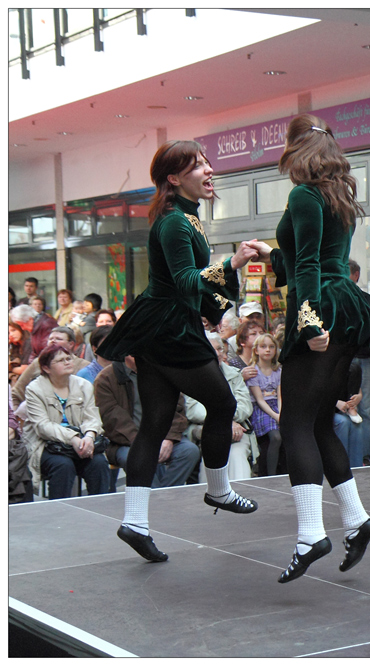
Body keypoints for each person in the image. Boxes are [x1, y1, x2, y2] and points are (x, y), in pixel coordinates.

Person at [96, 139, 259, 563]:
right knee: (222, 404)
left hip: (162, 327)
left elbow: (183, 283)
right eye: (197, 165)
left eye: (207, 163)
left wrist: (214, 305)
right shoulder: (174, 222)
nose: (208, 171)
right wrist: (234, 265)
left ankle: (134, 522)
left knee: (154, 424)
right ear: (174, 178)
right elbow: (187, 279)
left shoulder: (187, 218)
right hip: (169, 330)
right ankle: (219, 489)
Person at [246, 115, 370, 582]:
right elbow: (319, 256)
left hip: (320, 306)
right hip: (344, 304)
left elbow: (308, 266)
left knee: (296, 424)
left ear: (294, 149)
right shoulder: (336, 191)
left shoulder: (304, 194)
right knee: (321, 423)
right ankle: (358, 520)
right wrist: (272, 256)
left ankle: (310, 535)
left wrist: (307, 325)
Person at [93, 355, 201, 489]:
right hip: (124, 442)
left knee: (189, 451)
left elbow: (177, 409)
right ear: (126, 354)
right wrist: (144, 444)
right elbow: (113, 420)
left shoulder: (162, 371)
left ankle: (161, 498)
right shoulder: (106, 378)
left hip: (161, 436)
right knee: (136, 458)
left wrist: (169, 438)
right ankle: (157, 501)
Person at [22, 343, 111, 499]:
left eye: (69, 358)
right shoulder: (35, 389)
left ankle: (100, 507)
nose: (68, 362)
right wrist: (73, 439)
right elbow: (42, 426)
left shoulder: (83, 385)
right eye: (61, 360)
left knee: (98, 464)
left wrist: (90, 436)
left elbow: (92, 417)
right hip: (46, 444)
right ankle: (59, 514)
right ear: (46, 368)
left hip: (81, 441)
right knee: (63, 466)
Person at [186, 332, 254, 482]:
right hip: (205, 429)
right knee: (212, 451)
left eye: (219, 349)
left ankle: (242, 493)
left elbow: (245, 405)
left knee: (237, 455)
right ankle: (212, 495)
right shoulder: (191, 376)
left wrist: (226, 419)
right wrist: (224, 421)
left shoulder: (234, 375)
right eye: (212, 349)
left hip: (237, 431)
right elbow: (192, 409)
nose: (216, 353)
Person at [348, 259, 370, 466]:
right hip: (345, 359)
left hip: (365, 358)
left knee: (367, 408)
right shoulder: (335, 297)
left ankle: (364, 456)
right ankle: (349, 452)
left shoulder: (368, 300)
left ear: (356, 275)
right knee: (346, 403)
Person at [12, 327, 89, 409]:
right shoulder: (38, 363)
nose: (53, 341)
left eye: (58, 339)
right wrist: (16, 416)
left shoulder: (84, 366)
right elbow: (16, 393)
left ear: (71, 344)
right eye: (50, 339)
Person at [246, 332, 284, 477]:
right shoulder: (254, 372)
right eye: (263, 346)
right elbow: (260, 399)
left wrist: (281, 413)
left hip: (277, 405)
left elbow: (280, 396)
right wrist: (275, 415)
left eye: (271, 347)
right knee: (275, 437)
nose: (267, 350)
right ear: (256, 350)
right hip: (262, 409)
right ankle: (270, 474)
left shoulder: (278, 371)